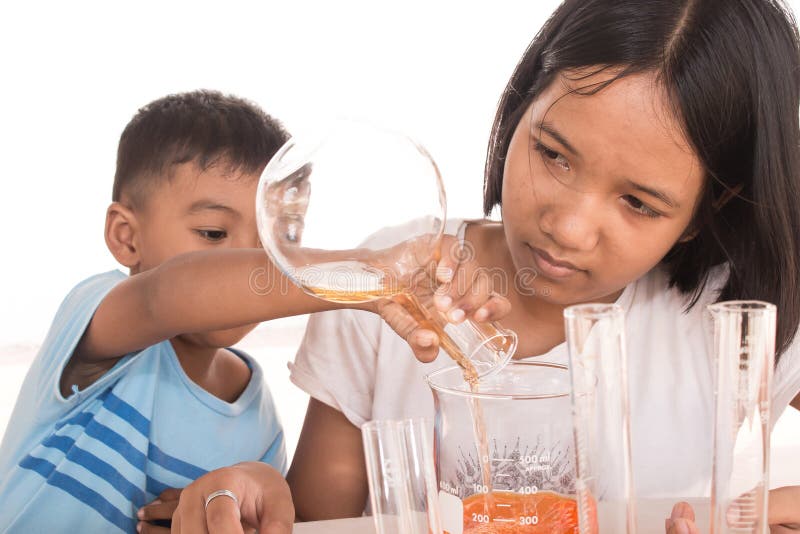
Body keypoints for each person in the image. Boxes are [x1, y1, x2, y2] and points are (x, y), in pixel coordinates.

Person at [158, 0, 800, 531]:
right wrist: (259, 493)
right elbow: (328, 519)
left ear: (710, 204)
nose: (568, 227)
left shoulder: (740, 318)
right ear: (520, 106)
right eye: (553, 155)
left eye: (637, 202)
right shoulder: (388, 282)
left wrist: (760, 513)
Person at [0, 90, 505, 534]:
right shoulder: (98, 318)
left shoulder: (258, 418)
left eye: (279, 239)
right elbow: (176, 292)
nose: (256, 258)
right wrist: (366, 272)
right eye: (214, 234)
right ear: (125, 237)